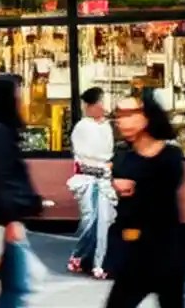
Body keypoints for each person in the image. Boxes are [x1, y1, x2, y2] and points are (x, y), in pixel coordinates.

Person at [103, 89, 185, 308]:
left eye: (129, 114)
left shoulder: (170, 156)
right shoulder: (123, 157)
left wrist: (135, 188)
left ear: (147, 116)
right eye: (119, 115)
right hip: (135, 253)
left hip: (167, 251)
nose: (122, 121)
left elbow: (161, 196)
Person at [0, 74, 44, 308]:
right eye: (16, 94)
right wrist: (11, 218)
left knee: (11, 288)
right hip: (4, 223)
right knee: (14, 289)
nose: (20, 99)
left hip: (3, 220)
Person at [68, 86, 116, 278]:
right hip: (88, 180)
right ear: (90, 106)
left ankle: (97, 263)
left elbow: (108, 153)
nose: (103, 106)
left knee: (104, 222)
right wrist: (103, 168)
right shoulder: (82, 127)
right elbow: (83, 159)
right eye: (99, 102)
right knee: (90, 221)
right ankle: (79, 255)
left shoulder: (106, 126)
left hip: (104, 180)